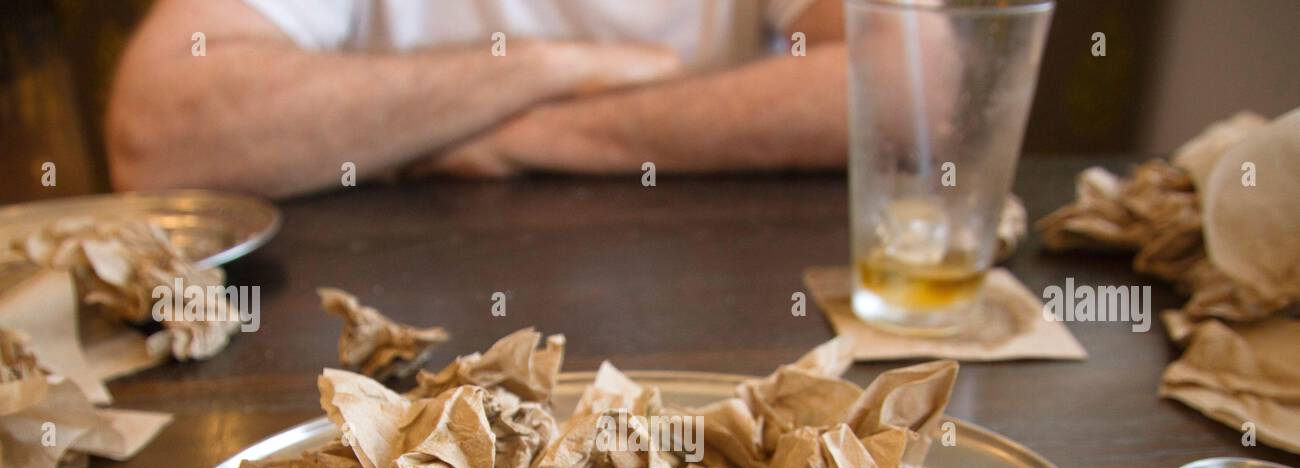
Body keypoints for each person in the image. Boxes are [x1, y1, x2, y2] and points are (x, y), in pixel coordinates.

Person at [107, 0, 849, 198]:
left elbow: (901, 82)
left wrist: (526, 136)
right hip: (392, 353)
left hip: (716, 337)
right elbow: (160, 135)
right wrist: (544, 65)